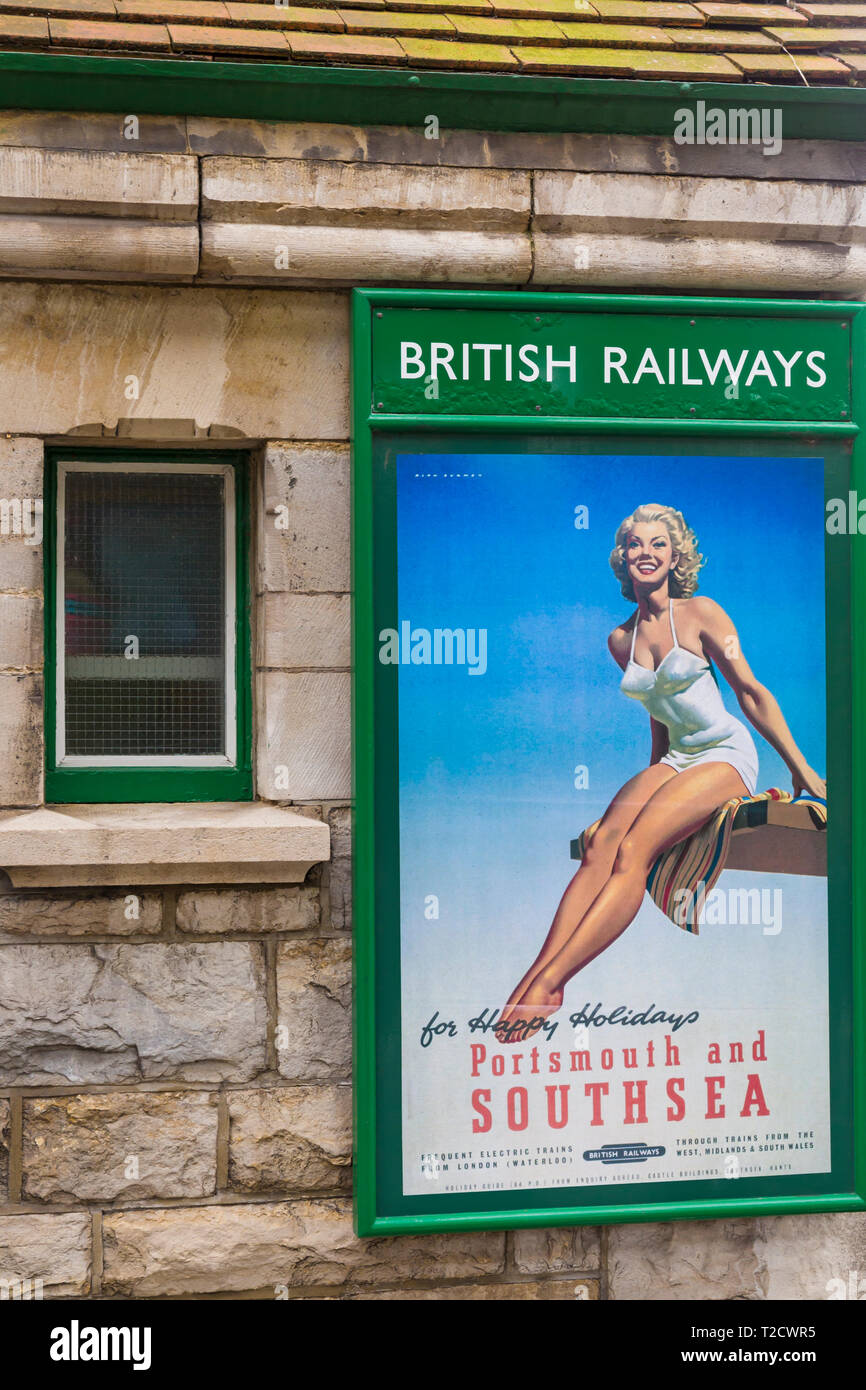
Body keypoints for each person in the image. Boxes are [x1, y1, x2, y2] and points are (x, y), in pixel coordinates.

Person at [496, 503, 826, 1041]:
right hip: (676, 758)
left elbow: (749, 692)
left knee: (633, 851)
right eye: (635, 545)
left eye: (657, 544)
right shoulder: (619, 641)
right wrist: (653, 786)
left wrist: (801, 766)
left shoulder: (702, 614)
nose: (645, 554)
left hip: (725, 753)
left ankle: (552, 985)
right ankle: (531, 975)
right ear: (622, 558)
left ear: (675, 558)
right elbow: (658, 717)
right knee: (605, 841)